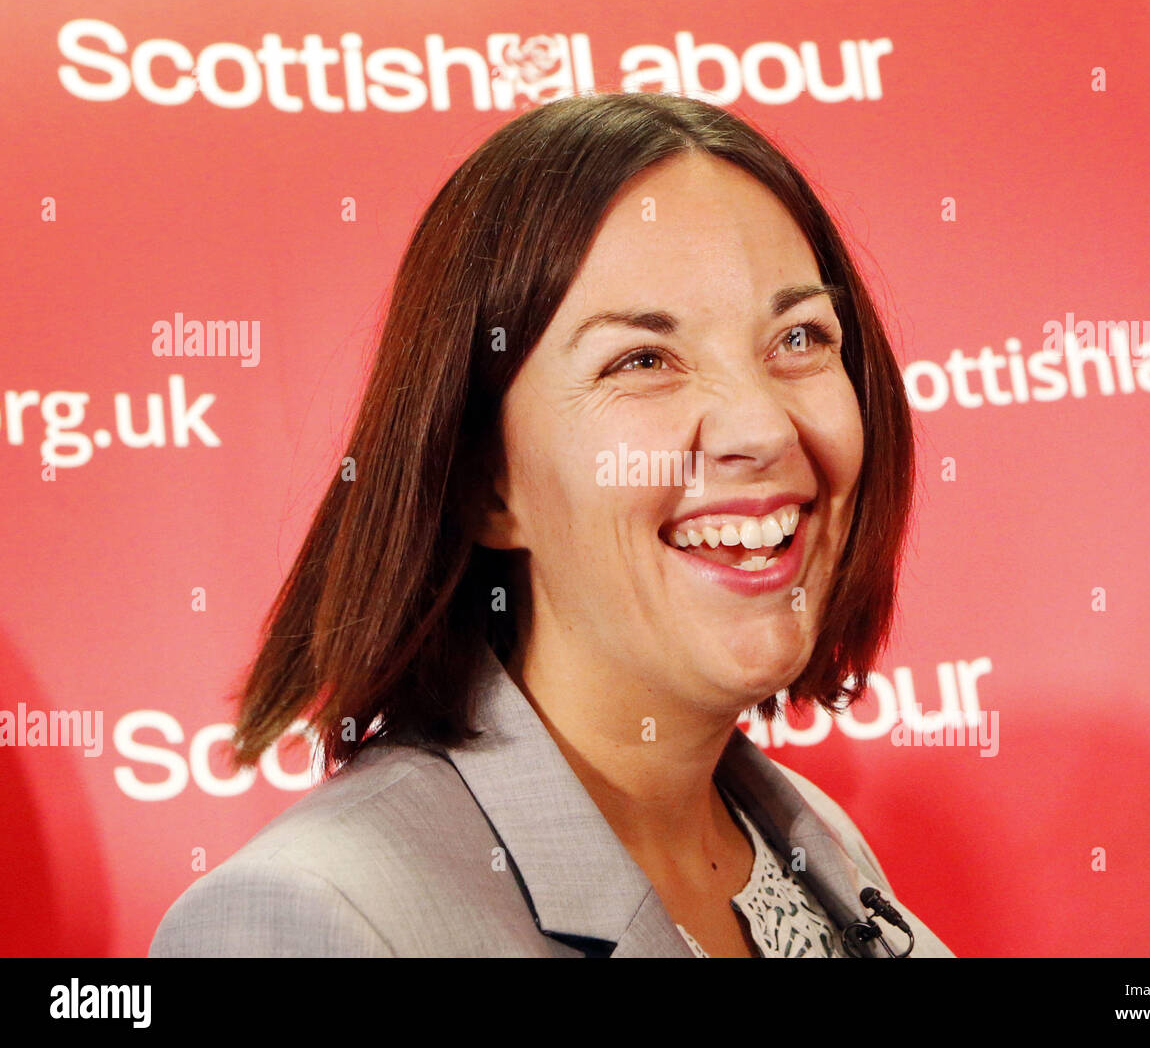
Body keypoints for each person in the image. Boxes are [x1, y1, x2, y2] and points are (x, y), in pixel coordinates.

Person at [149, 90, 955, 958]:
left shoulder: (814, 846)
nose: (760, 428)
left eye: (799, 339)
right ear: (486, 485)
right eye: (642, 360)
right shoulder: (314, 917)